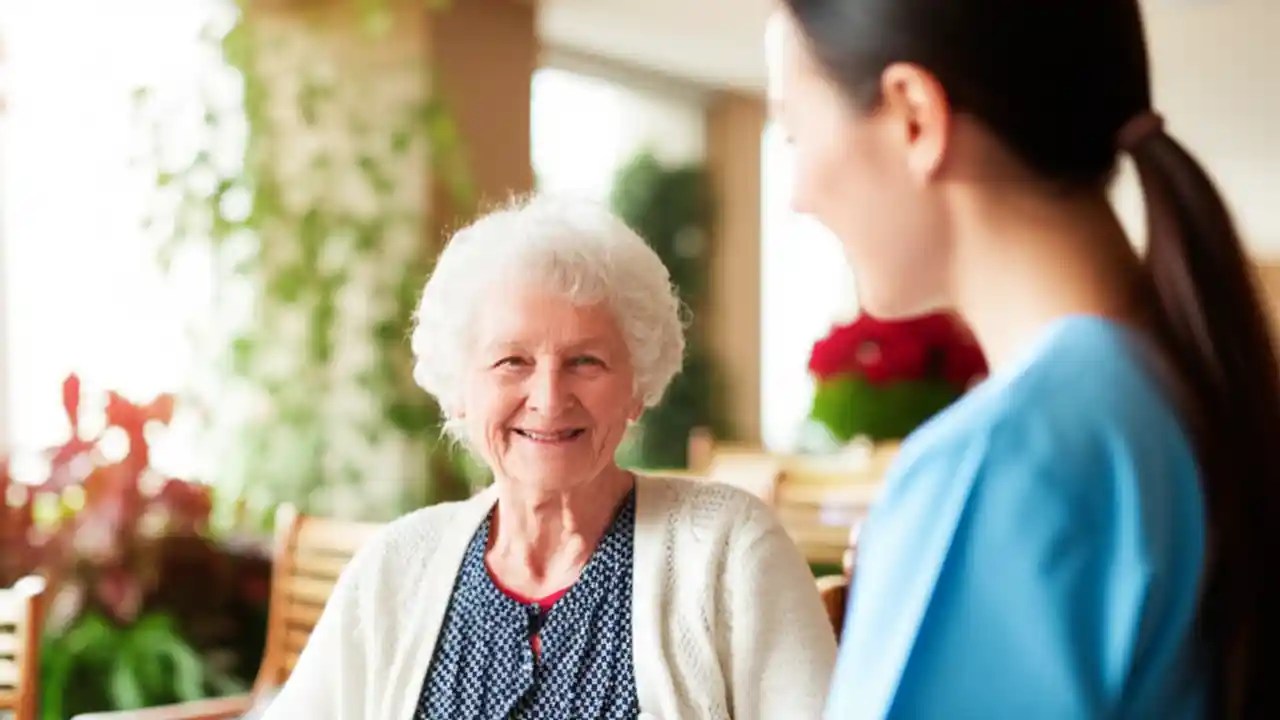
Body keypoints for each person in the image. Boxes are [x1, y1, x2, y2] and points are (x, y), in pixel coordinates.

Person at [766, 2, 1280, 718]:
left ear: (914, 116)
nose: (795, 197)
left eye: (792, 132)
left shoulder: (1011, 457)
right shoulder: (1172, 389)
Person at [260, 195, 837, 720]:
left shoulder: (729, 549)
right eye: (512, 361)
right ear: (461, 389)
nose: (549, 398)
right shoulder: (395, 567)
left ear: (637, 385)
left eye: (585, 361)